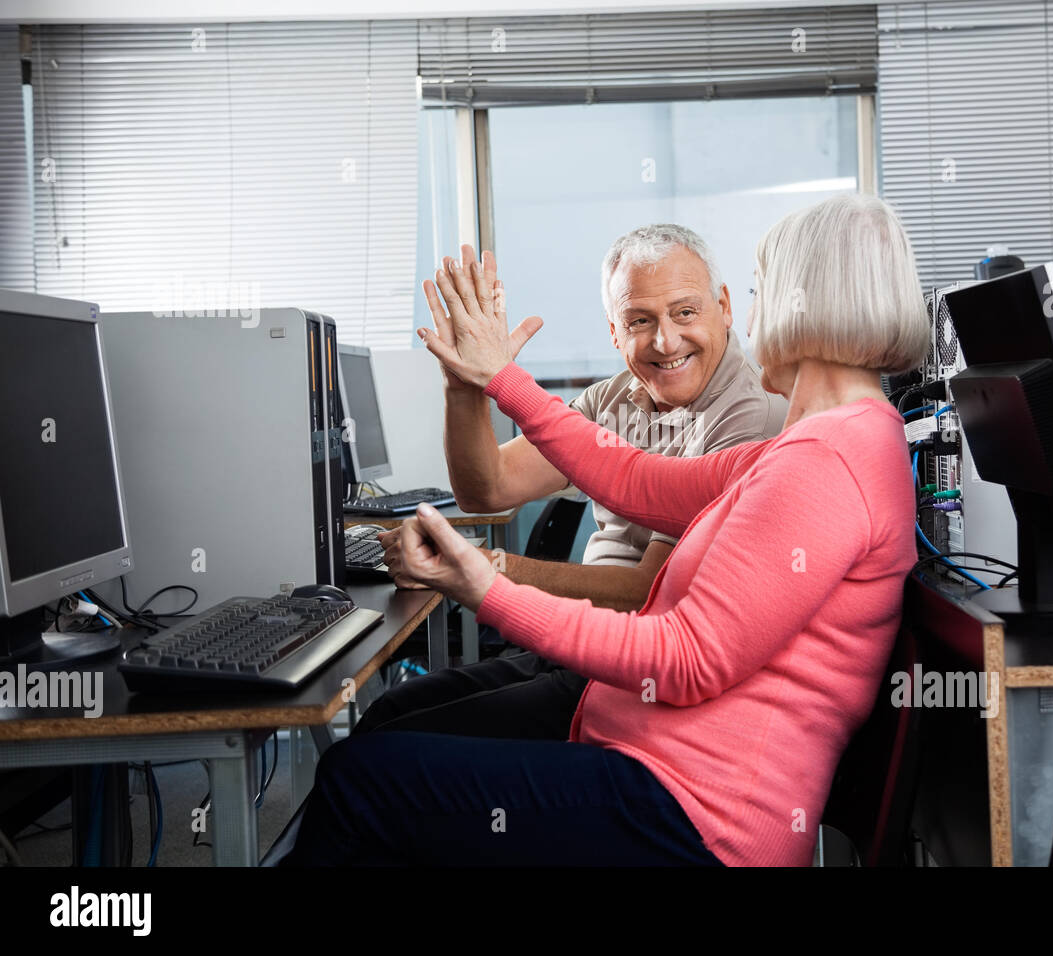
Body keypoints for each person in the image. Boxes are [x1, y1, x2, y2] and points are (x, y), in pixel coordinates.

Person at [284, 193, 928, 867]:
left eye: (760, 289)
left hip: (697, 816)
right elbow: (639, 481)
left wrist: (487, 587)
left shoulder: (823, 461)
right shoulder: (830, 441)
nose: (754, 310)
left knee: (359, 783)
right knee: (383, 759)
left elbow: (687, 659)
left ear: (797, 306)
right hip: (660, 764)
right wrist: (498, 379)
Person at [356, 225, 786, 740]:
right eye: (640, 320)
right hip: (576, 648)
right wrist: (464, 383)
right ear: (614, 332)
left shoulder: (750, 413)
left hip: (632, 676)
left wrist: (482, 568)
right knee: (385, 714)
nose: (665, 340)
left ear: (724, 307)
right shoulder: (614, 398)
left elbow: (647, 593)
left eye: (685, 312)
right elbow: (486, 489)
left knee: (387, 745)